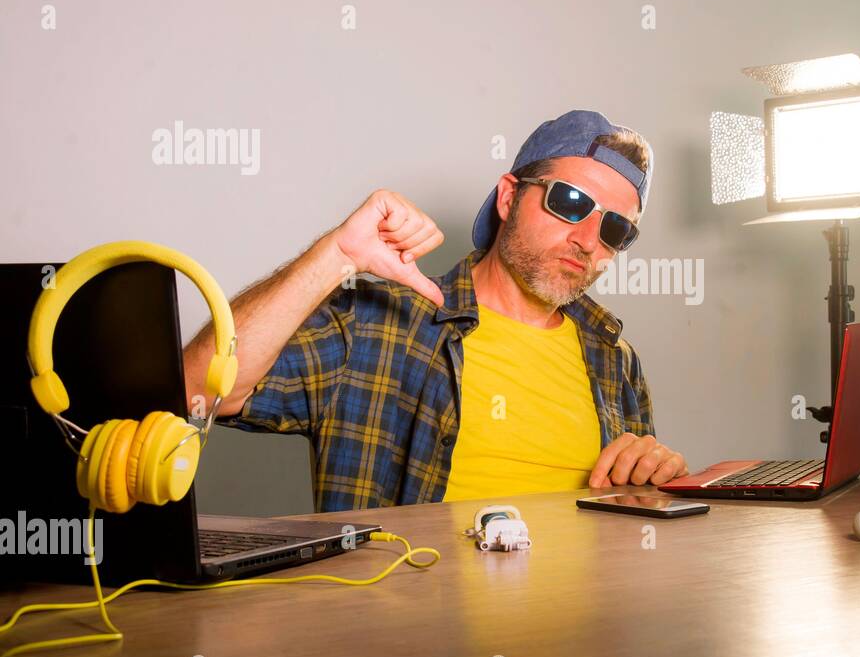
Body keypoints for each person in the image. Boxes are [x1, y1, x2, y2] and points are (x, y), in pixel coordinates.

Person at [183, 109, 688, 510]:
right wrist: (335, 256)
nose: (587, 240)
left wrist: (649, 473)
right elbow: (195, 391)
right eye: (571, 202)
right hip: (419, 632)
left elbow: (632, 507)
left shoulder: (614, 357)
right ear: (510, 197)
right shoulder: (381, 323)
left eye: (616, 229)